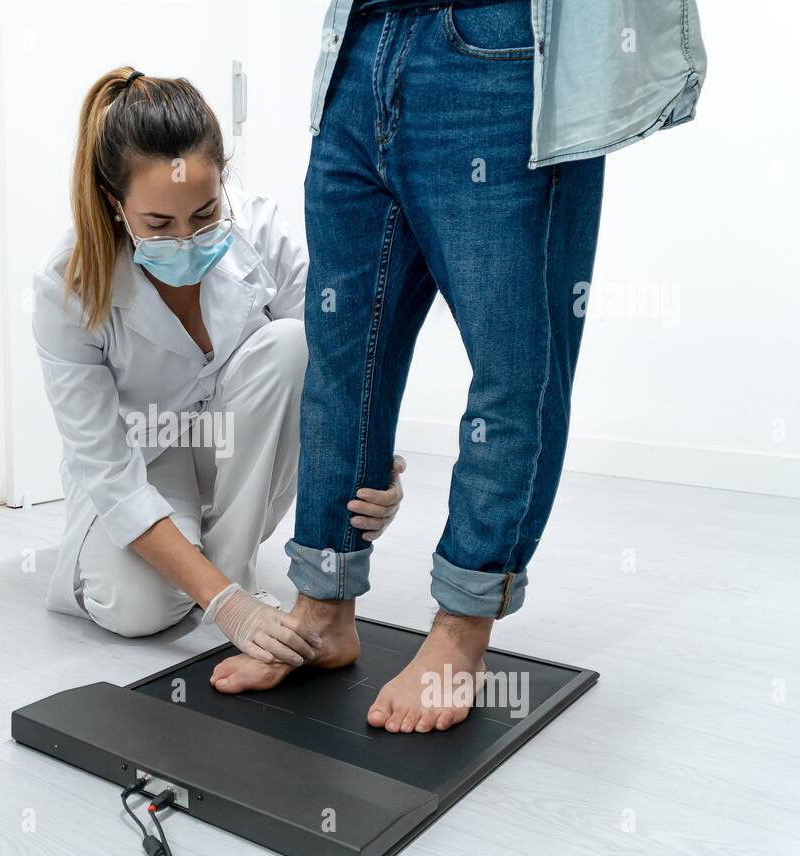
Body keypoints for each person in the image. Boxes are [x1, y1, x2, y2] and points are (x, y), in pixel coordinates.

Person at [209, 0, 708, 734]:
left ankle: (460, 629)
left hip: (499, 40)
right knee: (342, 356)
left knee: (512, 362)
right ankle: (324, 601)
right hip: (362, 39)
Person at [32, 66, 406, 653]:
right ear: (114, 203)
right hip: (143, 459)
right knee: (140, 607)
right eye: (158, 223)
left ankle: (230, 569)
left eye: (204, 215)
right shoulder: (67, 287)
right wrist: (227, 608)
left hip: (236, 450)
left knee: (296, 346)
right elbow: (106, 468)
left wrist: (373, 466)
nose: (186, 238)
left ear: (222, 182)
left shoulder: (259, 224)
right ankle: (216, 583)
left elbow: (340, 365)